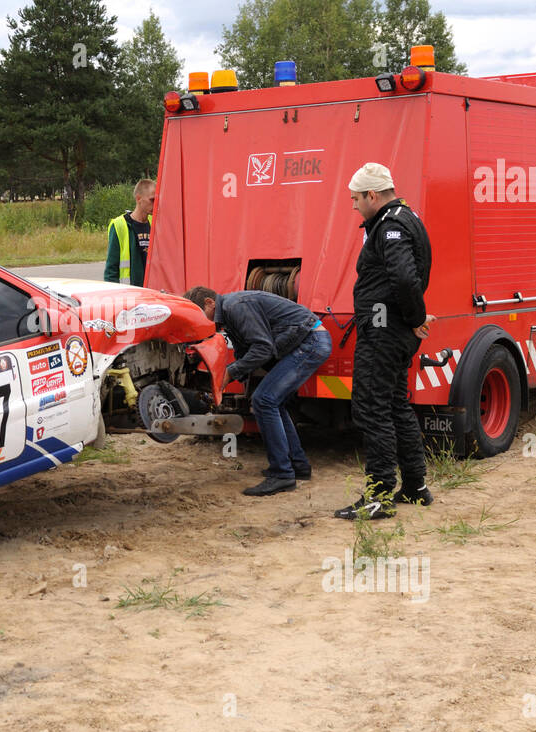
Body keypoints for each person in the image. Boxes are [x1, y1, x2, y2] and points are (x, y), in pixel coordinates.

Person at [335, 162, 436, 520]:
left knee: (371, 408)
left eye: (356, 199)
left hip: (383, 332)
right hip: (392, 331)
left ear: (372, 195)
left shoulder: (390, 225)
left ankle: (379, 494)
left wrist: (416, 319)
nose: (353, 206)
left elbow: (406, 281)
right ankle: (414, 486)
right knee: (395, 405)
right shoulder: (407, 217)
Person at [184, 286, 332, 496]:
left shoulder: (236, 307)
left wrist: (229, 373)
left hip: (310, 342)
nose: (202, 322)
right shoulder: (229, 313)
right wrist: (228, 377)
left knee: (264, 400)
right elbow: (247, 350)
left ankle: (282, 474)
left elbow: (263, 348)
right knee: (273, 402)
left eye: (200, 315)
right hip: (306, 341)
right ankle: (298, 465)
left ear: (210, 303)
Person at [104, 179, 154, 286]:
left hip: (151, 293)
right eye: (152, 200)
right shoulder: (119, 225)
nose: (155, 204)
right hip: (129, 293)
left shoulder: (154, 224)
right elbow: (111, 270)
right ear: (138, 199)